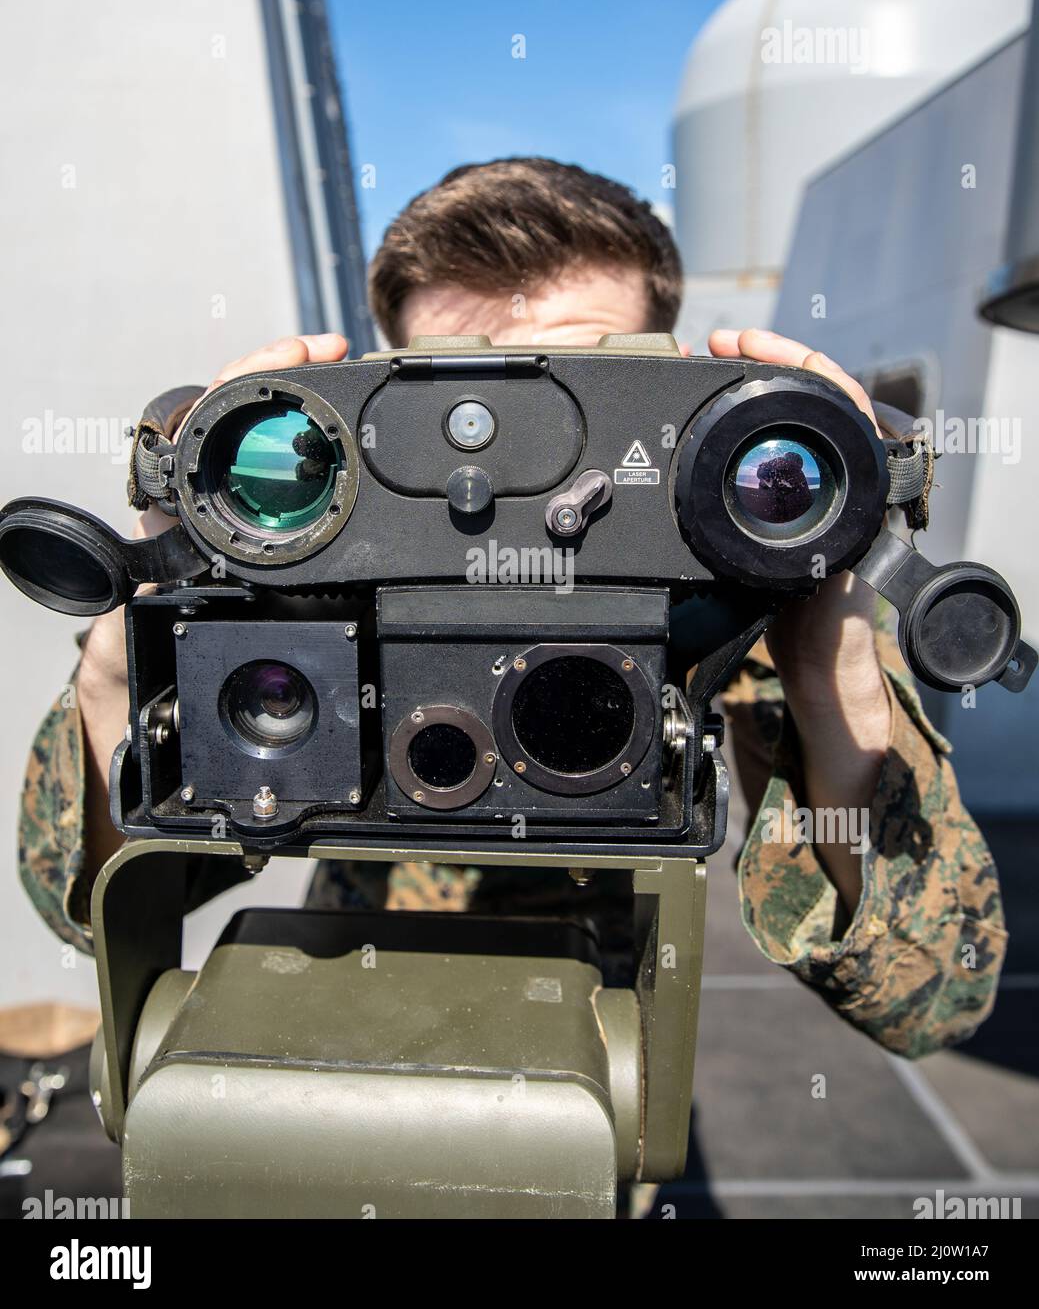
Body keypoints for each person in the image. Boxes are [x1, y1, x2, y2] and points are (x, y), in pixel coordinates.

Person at [19, 158, 1005, 1058]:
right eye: (459, 392)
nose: (504, 474)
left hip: (597, 1062)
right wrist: (150, 602)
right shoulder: (311, 569)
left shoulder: (720, 600)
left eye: (587, 383)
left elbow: (928, 998)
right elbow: (89, 908)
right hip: (339, 1033)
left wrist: (829, 656)